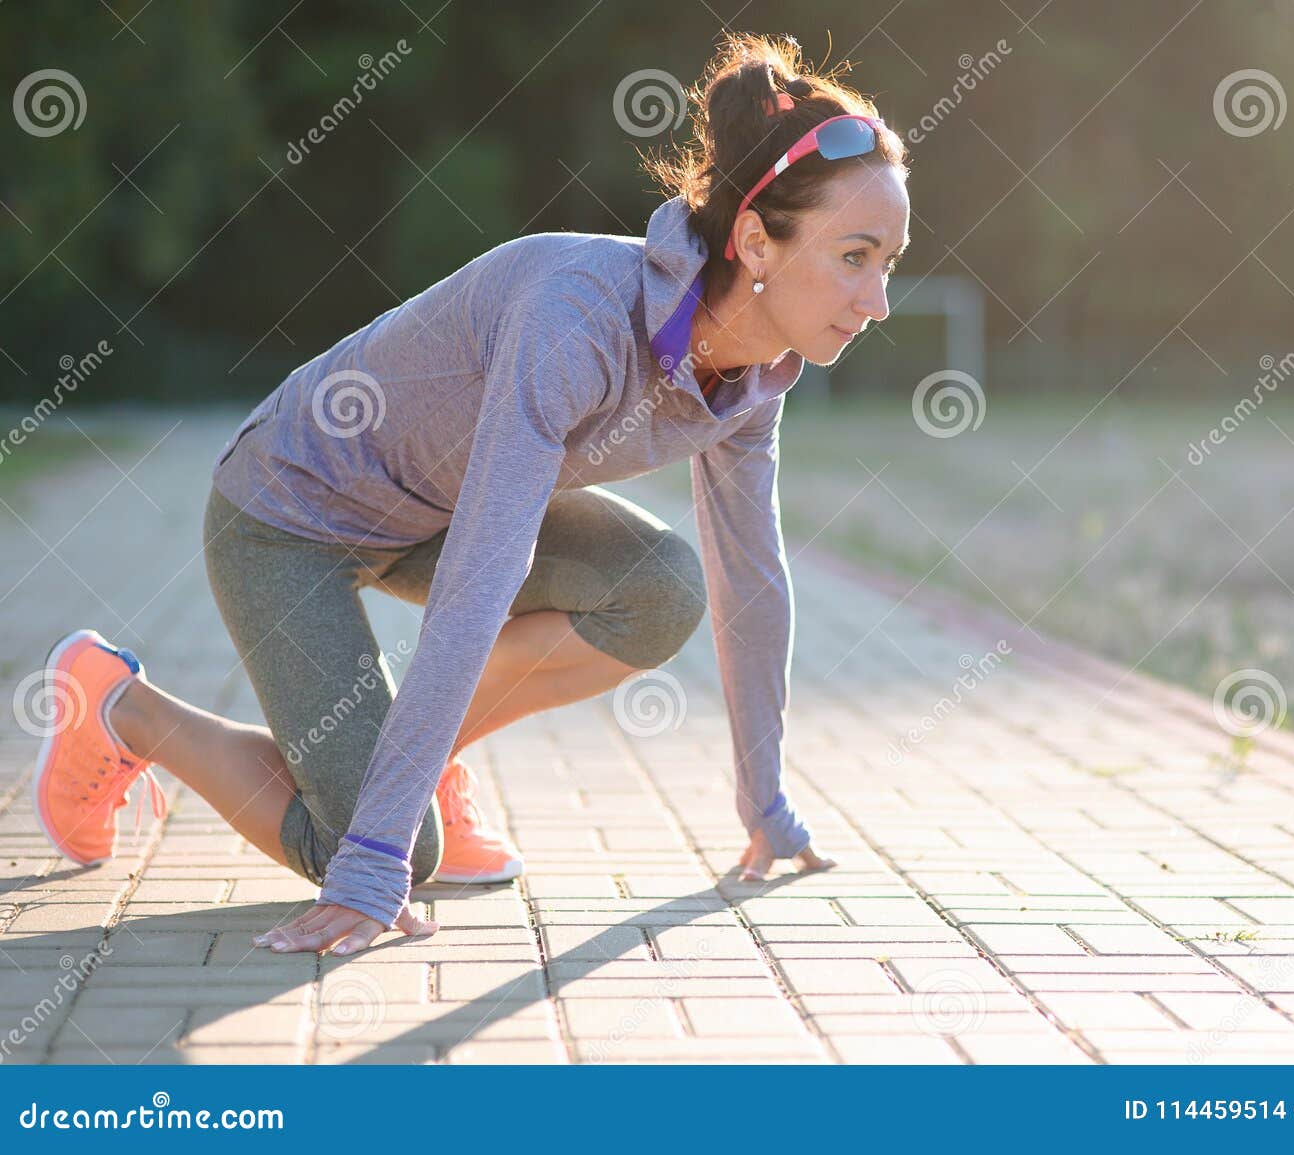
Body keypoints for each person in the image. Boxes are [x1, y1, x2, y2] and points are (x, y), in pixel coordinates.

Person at [29, 31, 911, 957]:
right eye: (855, 256)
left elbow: (752, 575)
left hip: (433, 516)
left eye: (887, 261)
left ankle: (409, 753)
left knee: (662, 590)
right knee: (385, 846)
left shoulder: (757, 372)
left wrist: (764, 799)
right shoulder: (575, 317)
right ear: (753, 242)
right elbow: (490, 567)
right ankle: (118, 704)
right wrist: (371, 862)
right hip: (289, 515)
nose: (879, 298)